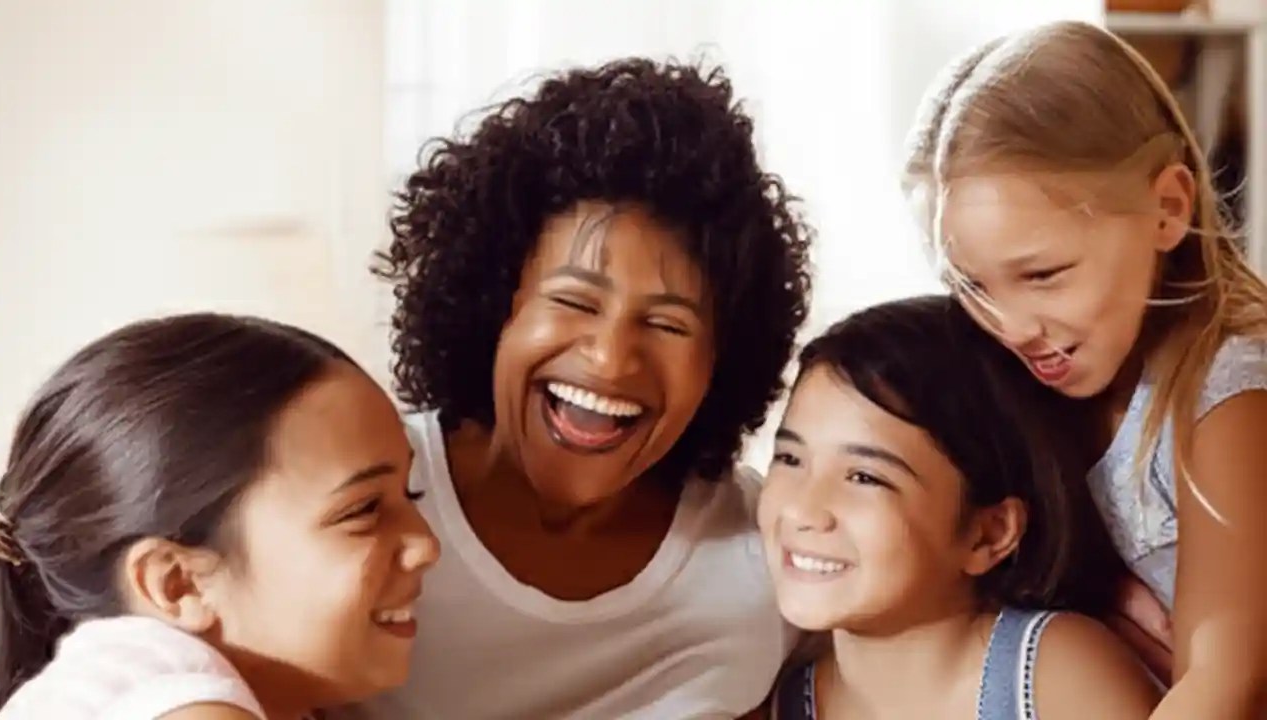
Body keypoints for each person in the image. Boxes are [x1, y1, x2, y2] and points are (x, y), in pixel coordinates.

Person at [358, 57, 813, 719]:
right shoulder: (363, 498)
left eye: (667, 324)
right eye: (574, 301)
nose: (610, 360)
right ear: (496, 307)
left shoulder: (768, 554)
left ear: (722, 359)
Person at [903, 19, 1267, 716]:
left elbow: (1224, 687)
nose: (1011, 326)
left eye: (1044, 275)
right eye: (973, 286)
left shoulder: (1229, 396)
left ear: (1167, 209)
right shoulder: (1017, 383)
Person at [0, 314, 440, 719]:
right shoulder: (166, 695)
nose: (427, 546)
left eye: (410, 492)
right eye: (364, 510)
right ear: (179, 583)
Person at [762, 295, 1159, 719]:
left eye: (864, 477)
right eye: (790, 459)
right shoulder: (782, 699)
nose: (803, 510)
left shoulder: (1057, 677)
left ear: (989, 533)